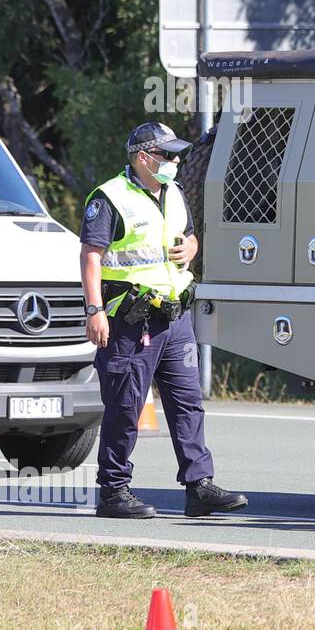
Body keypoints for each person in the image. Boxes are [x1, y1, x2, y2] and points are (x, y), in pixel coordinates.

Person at [79, 122, 247, 519]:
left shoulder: (173, 193)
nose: (175, 161)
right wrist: (94, 310)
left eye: (176, 154)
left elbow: (189, 236)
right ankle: (114, 490)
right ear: (143, 157)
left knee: (188, 403)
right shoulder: (109, 198)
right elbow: (90, 256)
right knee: (125, 406)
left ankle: (198, 486)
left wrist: (191, 246)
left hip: (175, 320)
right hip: (131, 323)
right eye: (167, 155)